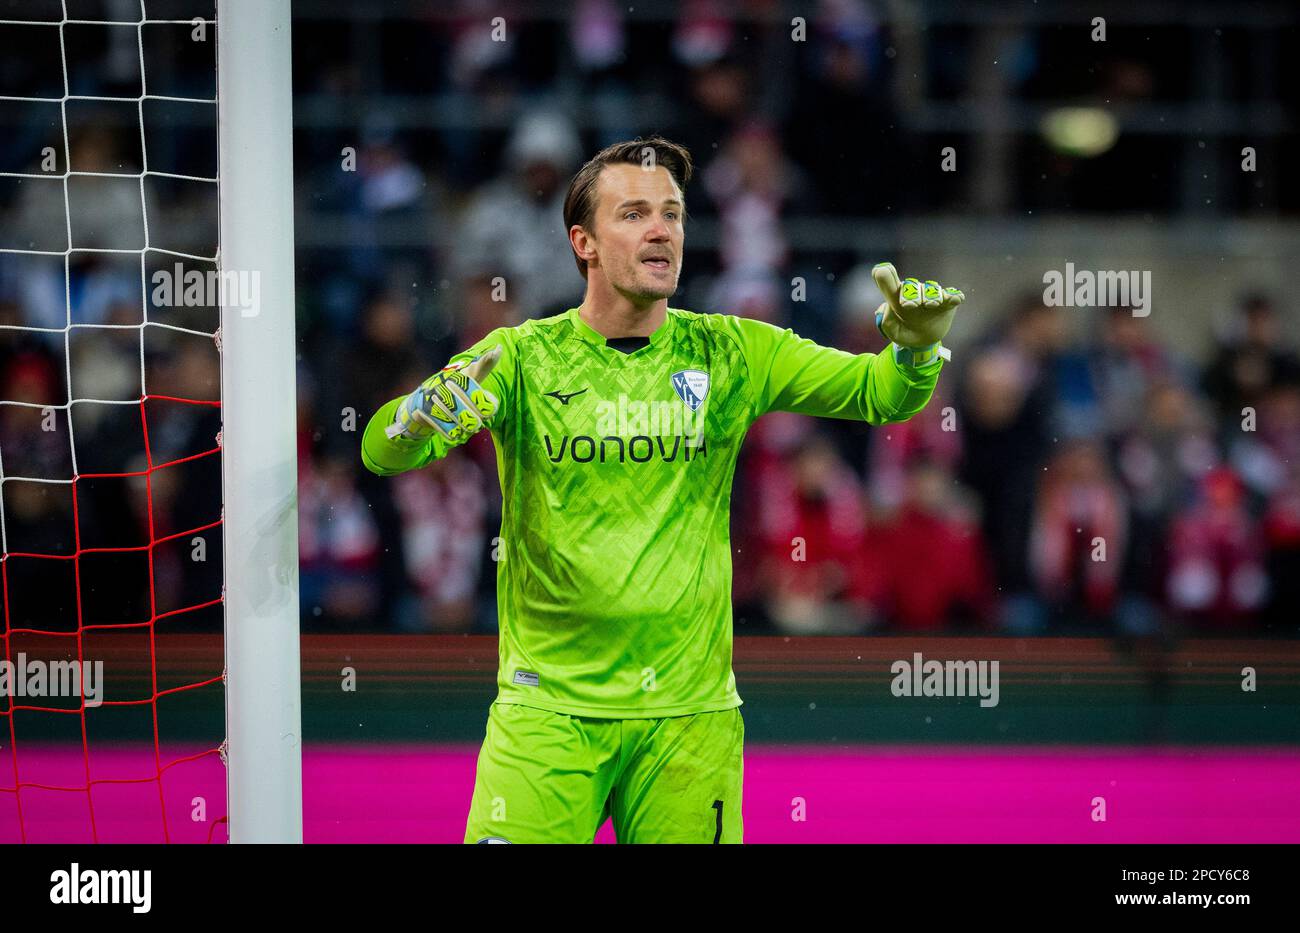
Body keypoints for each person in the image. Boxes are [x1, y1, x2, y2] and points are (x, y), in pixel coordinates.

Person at [360, 136, 968, 843]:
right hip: (547, 717)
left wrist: (917, 349)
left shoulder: (733, 350)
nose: (661, 230)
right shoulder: (521, 356)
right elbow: (380, 452)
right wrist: (415, 419)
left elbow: (881, 392)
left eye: (673, 214)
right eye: (635, 213)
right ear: (583, 242)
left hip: (689, 722)